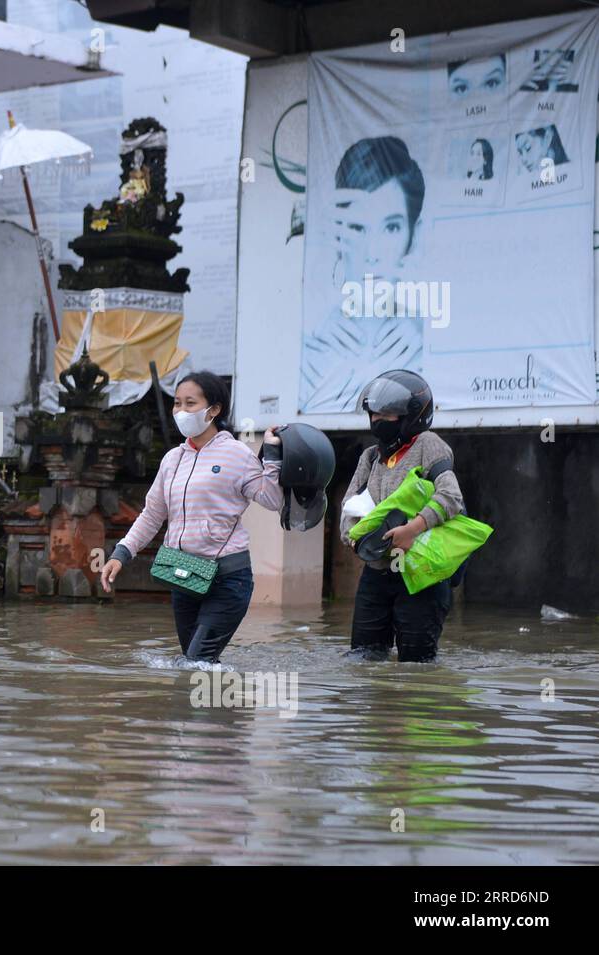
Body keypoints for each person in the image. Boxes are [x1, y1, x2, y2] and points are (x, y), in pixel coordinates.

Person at [99, 372, 283, 664]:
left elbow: (272, 500)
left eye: (190, 403)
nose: (181, 411)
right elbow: (152, 514)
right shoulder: (172, 459)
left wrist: (272, 458)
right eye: (177, 403)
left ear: (214, 409)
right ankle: (222, 708)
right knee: (193, 663)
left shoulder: (236, 454)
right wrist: (121, 553)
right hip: (185, 575)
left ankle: (219, 707)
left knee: (198, 661)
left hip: (228, 580)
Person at [341, 369, 465, 663]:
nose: (376, 421)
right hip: (377, 574)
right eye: (374, 414)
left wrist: (414, 528)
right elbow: (349, 504)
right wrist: (354, 539)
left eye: (387, 415)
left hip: (421, 576)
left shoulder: (428, 444)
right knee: (363, 659)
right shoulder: (371, 456)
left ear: (412, 416)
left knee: (416, 666)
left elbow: (451, 496)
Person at [301, 136, 426, 413]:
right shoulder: (310, 351)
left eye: (391, 228)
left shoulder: (424, 345)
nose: (372, 252)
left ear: (413, 235)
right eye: (358, 228)